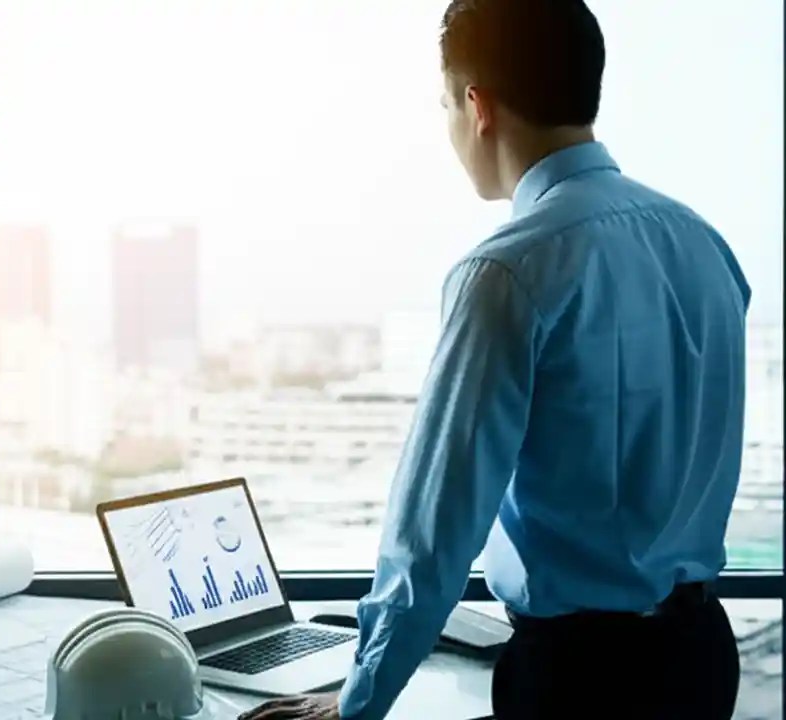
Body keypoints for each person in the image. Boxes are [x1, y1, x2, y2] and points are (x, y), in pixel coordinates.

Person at [239, 0, 747, 718]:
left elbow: (436, 528)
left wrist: (358, 705)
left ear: (476, 105)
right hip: (700, 660)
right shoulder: (703, 244)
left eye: (446, 102)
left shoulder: (508, 273)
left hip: (580, 679)